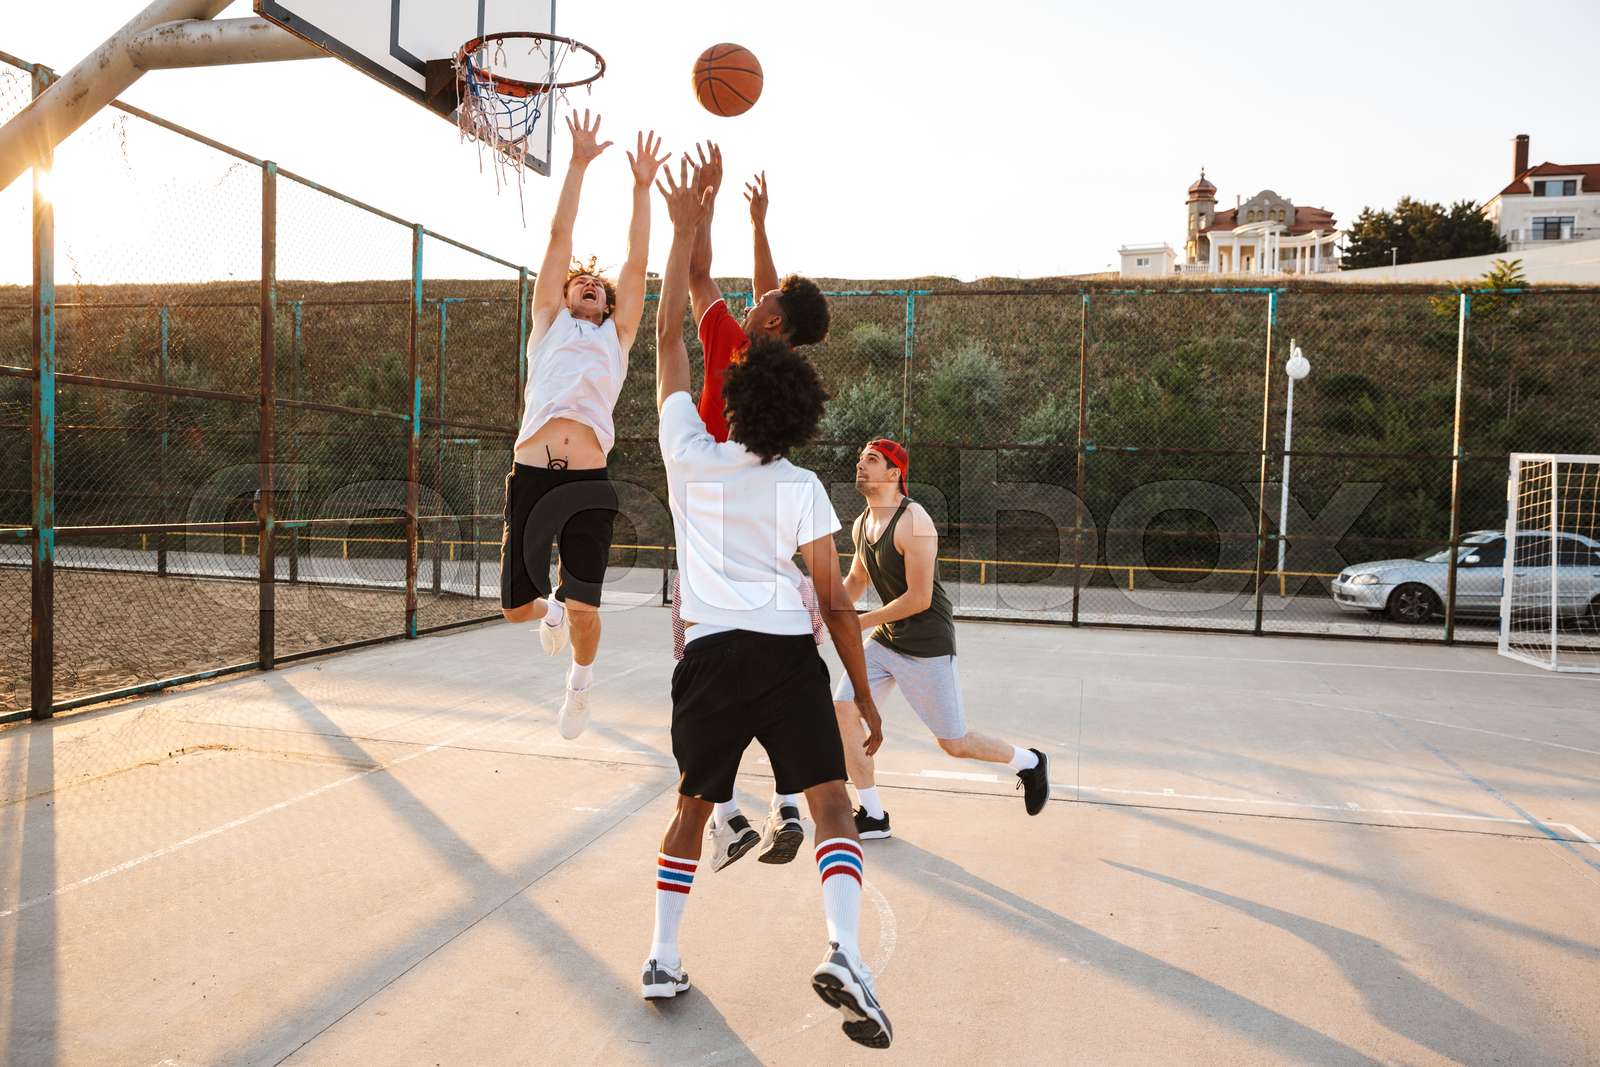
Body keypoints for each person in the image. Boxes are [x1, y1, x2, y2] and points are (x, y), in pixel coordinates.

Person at [640, 159, 892, 1050]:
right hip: (786, 654)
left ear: (734, 394)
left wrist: (680, 221)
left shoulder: (686, 455)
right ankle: (844, 948)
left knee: (691, 807)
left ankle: (663, 955)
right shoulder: (800, 488)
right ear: (797, 417)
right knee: (832, 805)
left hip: (708, 655)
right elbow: (837, 605)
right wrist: (861, 696)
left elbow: (668, 333)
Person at [678, 143, 834, 869]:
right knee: (781, 659)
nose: (757, 295)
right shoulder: (784, 363)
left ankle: (727, 813)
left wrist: (702, 206)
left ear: (771, 323)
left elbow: (698, 273)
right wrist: (759, 222)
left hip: (709, 488)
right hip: (766, 503)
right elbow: (770, 290)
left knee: (697, 653)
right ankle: (786, 802)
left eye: (765, 301)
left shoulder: (729, 341)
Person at [499, 111, 667, 740]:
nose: (591, 283)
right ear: (565, 295)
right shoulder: (547, 327)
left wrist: (642, 186)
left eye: (599, 284)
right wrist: (577, 162)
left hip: (590, 481)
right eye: (581, 282)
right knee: (519, 609)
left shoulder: (617, 339)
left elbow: (639, 259)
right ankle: (552, 615)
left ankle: (579, 686)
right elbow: (558, 235)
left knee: (587, 608)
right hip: (534, 476)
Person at [835, 439, 1051, 839]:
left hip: (926, 645)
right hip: (886, 640)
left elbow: (918, 599)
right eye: (860, 459)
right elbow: (856, 581)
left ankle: (1030, 761)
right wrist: (821, 615)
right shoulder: (863, 522)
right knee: (843, 708)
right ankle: (874, 815)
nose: (860, 465)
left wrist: (859, 624)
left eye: (871, 460)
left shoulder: (914, 521)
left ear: (894, 473)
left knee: (953, 742)